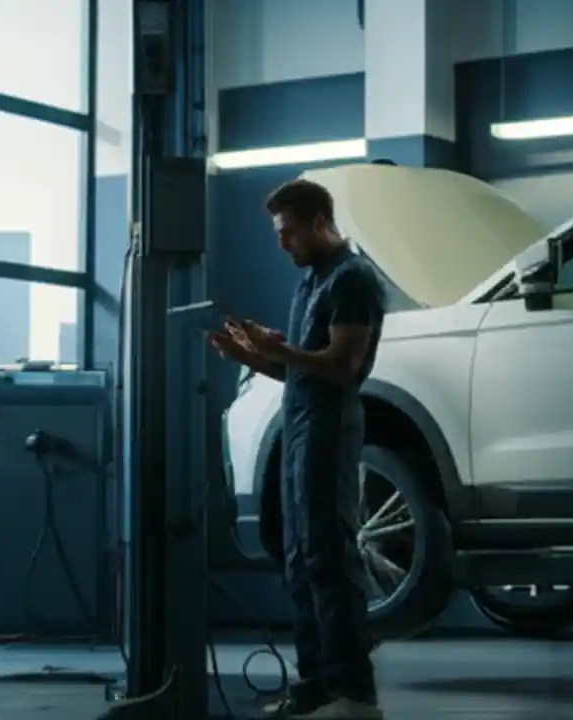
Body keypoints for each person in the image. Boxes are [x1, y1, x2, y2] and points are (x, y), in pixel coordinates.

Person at [210, 179, 386, 719]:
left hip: (330, 432)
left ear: (317, 222)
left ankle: (353, 695)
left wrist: (280, 349)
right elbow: (299, 371)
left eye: (287, 233)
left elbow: (342, 365)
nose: (282, 244)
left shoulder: (353, 279)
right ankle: (315, 687)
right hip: (302, 427)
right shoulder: (312, 281)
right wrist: (253, 356)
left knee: (329, 560)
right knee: (300, 562)